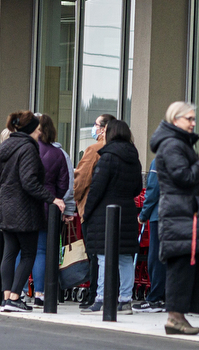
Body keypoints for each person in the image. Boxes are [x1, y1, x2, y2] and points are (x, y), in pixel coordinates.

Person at [150, 101, 199, 335]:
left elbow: (194, 178)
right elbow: (184, 177)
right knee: (180, 267)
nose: (193, 123)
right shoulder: (172, 145)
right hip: (180, 215)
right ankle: (174, 318)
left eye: (193, 118)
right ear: (174, 120)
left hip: (184, 214)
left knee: (187, 267)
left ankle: (178, 317)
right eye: (188, 119)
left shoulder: (177, 144)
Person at [0, 111, 66, 312]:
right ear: (31, 130)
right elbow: (29, 181)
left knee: (9, 252)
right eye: (37, 128)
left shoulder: (6, 145)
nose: (40, 131)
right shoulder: (27, 147)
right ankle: (15, 298)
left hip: (5, 206)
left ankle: (6, 296)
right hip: (23, 208)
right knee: (28, 253)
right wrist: (52, 198)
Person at [81, 119, 143, 314]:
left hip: (104, 212)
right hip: (127, 210)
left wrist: (87, 212)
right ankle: (125, 299)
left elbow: (96, 189)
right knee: (125, 257)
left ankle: (102, 298)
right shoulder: (134, 157)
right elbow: (137, 188)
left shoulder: (107, 157)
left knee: (103, 256)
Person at [73, 113, 113, 308]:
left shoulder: (94, 149)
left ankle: (94, 295)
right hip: (114, 211)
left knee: (95, 254)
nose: (94, 128)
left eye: (96, 125)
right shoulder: (124, 150)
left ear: (104, 129)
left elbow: (81, 179)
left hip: (92, 208)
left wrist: (76, 198)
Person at [32, 114, 70, 306]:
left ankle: (15, 292)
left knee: (19, 250)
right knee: (42, 251)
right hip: (49, 205)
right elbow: (64, 184)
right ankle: (40, 293)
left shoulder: (27, 149)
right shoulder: (58, 154)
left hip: (26, 203)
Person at [135, 153, 167, 313]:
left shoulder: (159, 161)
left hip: (159, 215)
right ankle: (167, 298)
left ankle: (155, 298)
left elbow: (153, 190)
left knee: (156, 256)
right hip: (179, 215)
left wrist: (143, 214)